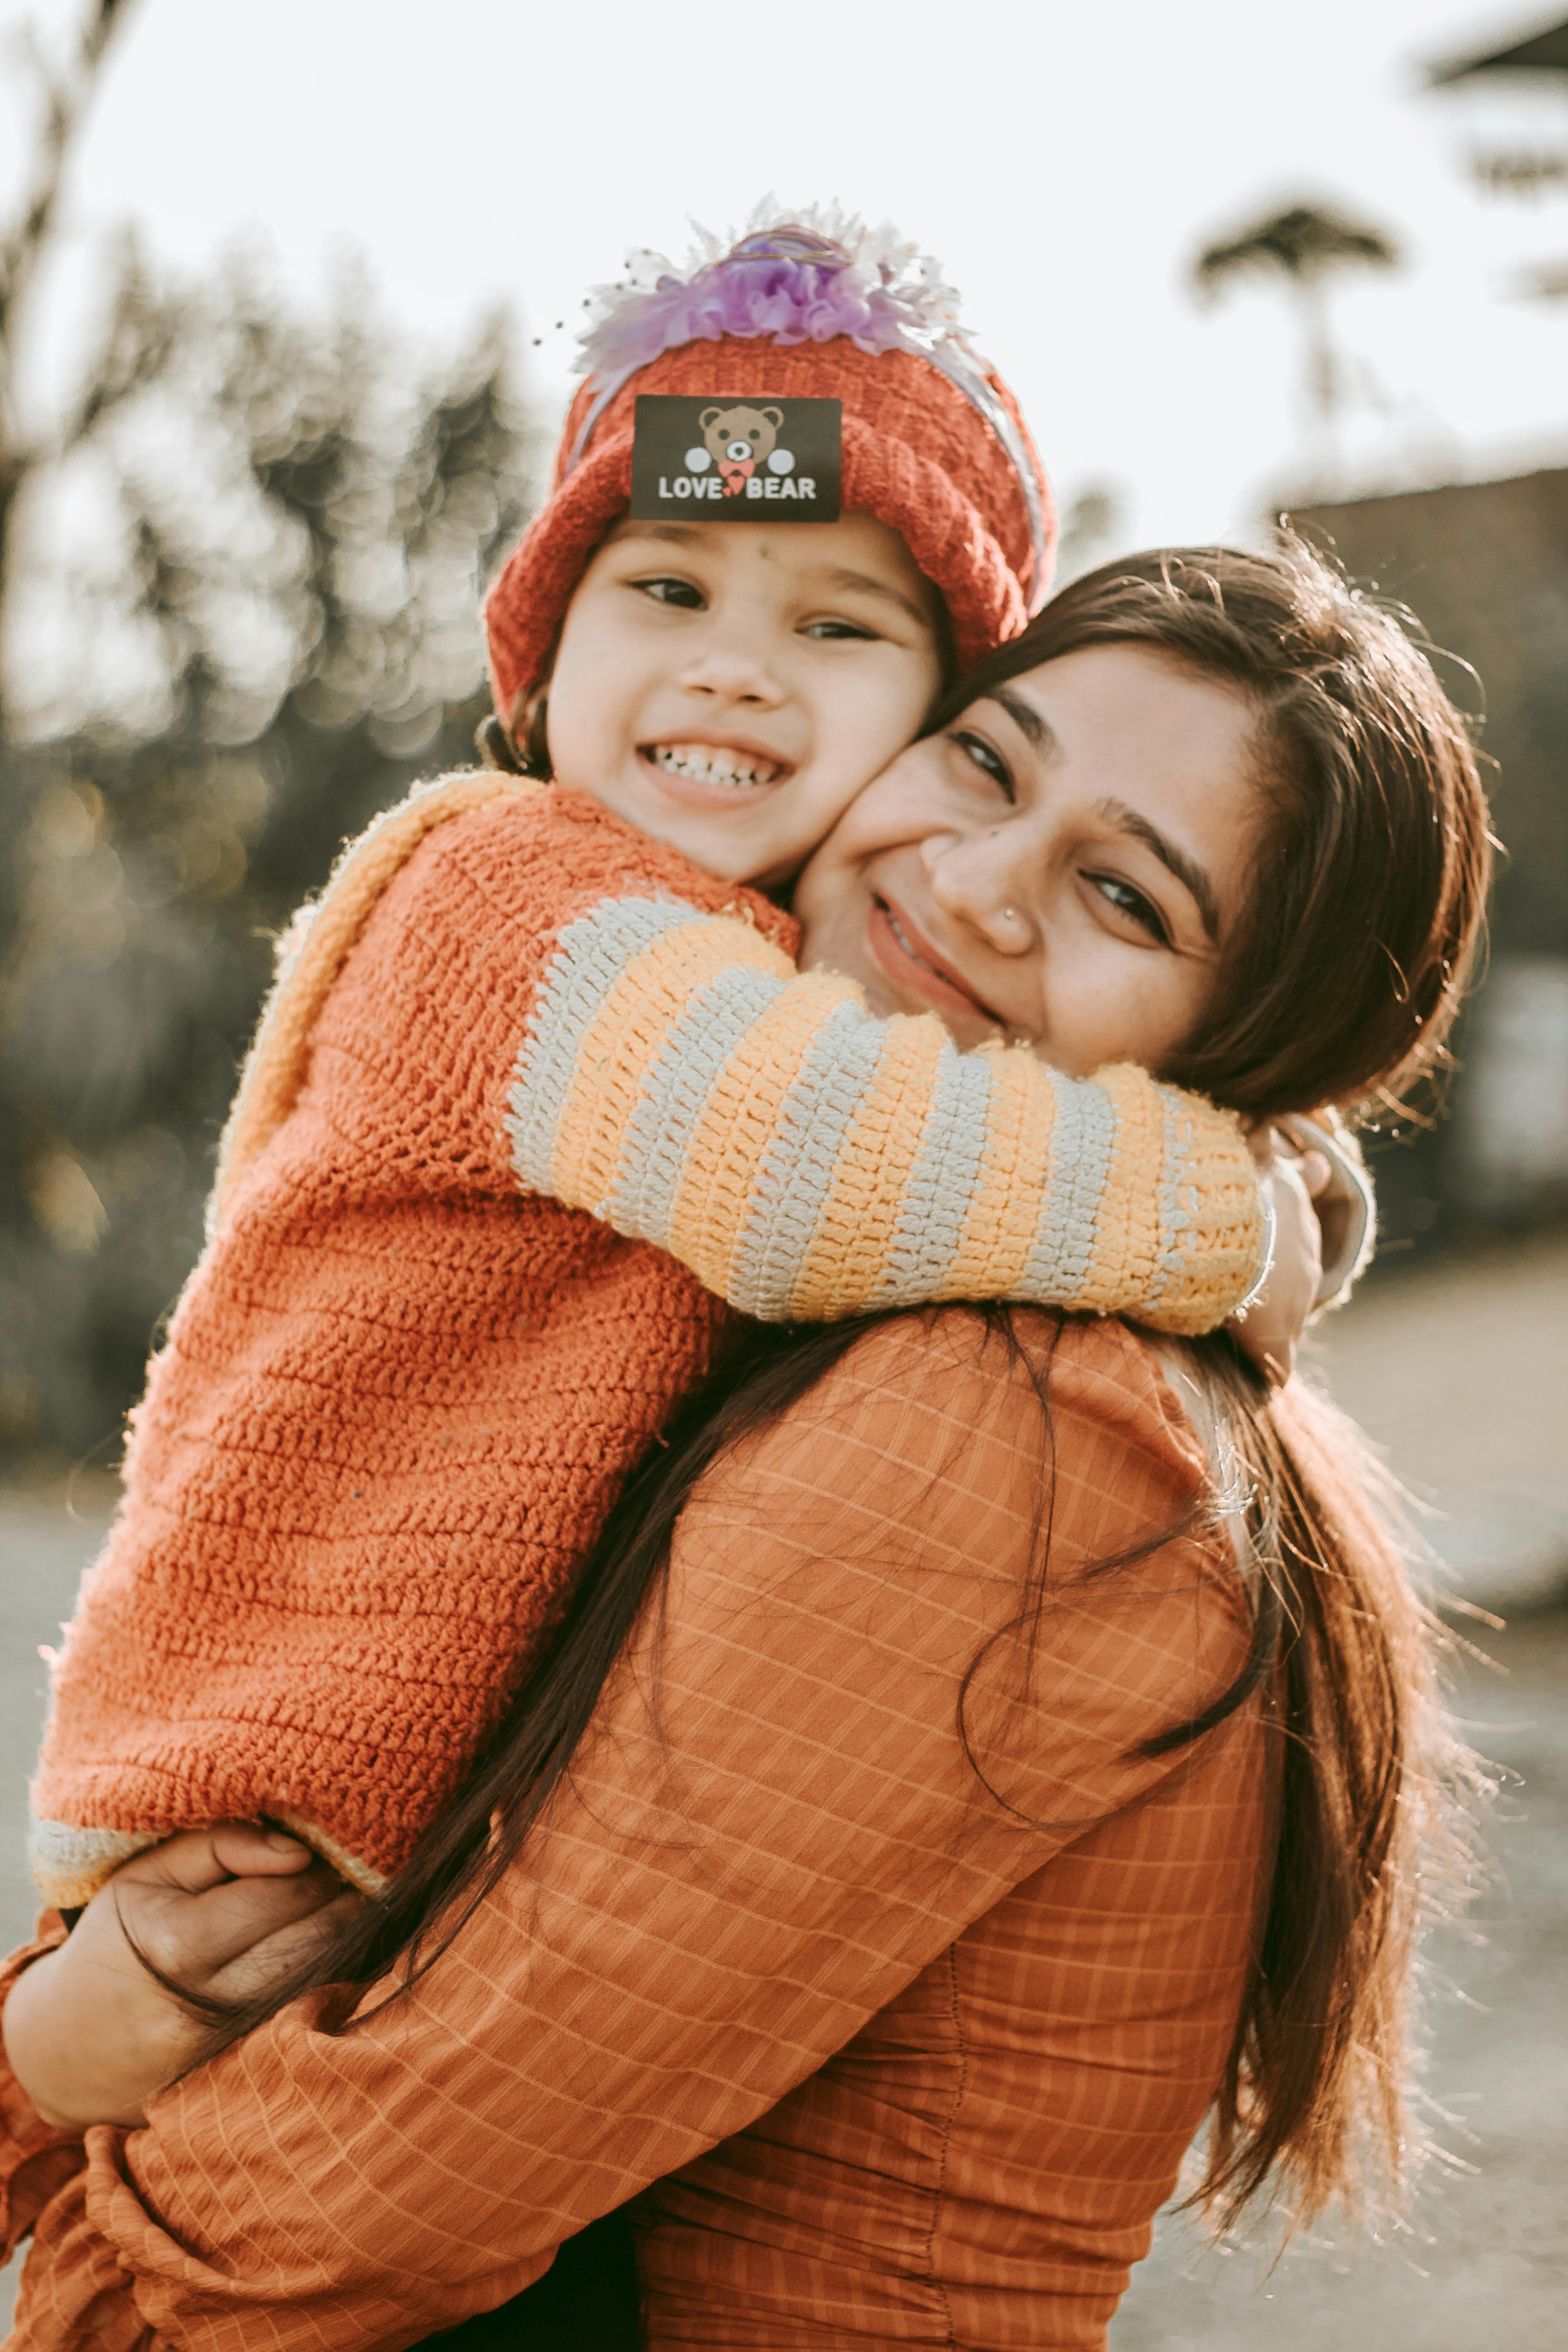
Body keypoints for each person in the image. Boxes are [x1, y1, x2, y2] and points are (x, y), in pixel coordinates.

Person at [0, 542, 1487, 2351]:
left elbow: (371, 2191)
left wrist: (85, 2249)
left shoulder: (1026, 1430)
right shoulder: (737, 1288)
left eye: (1123, 895)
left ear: (1258, 1050)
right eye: (985, 763)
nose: (978, 881)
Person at [23, 214, 1279, 1929]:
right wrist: (1241, 1216)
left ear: (932, 709)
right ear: (542, 660)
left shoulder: (730, 951)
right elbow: (809, 1173)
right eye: (667, 588)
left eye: (839, 627)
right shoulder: (518, 900)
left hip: (380, 1815)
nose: (732, 666)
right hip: (257, 1794)